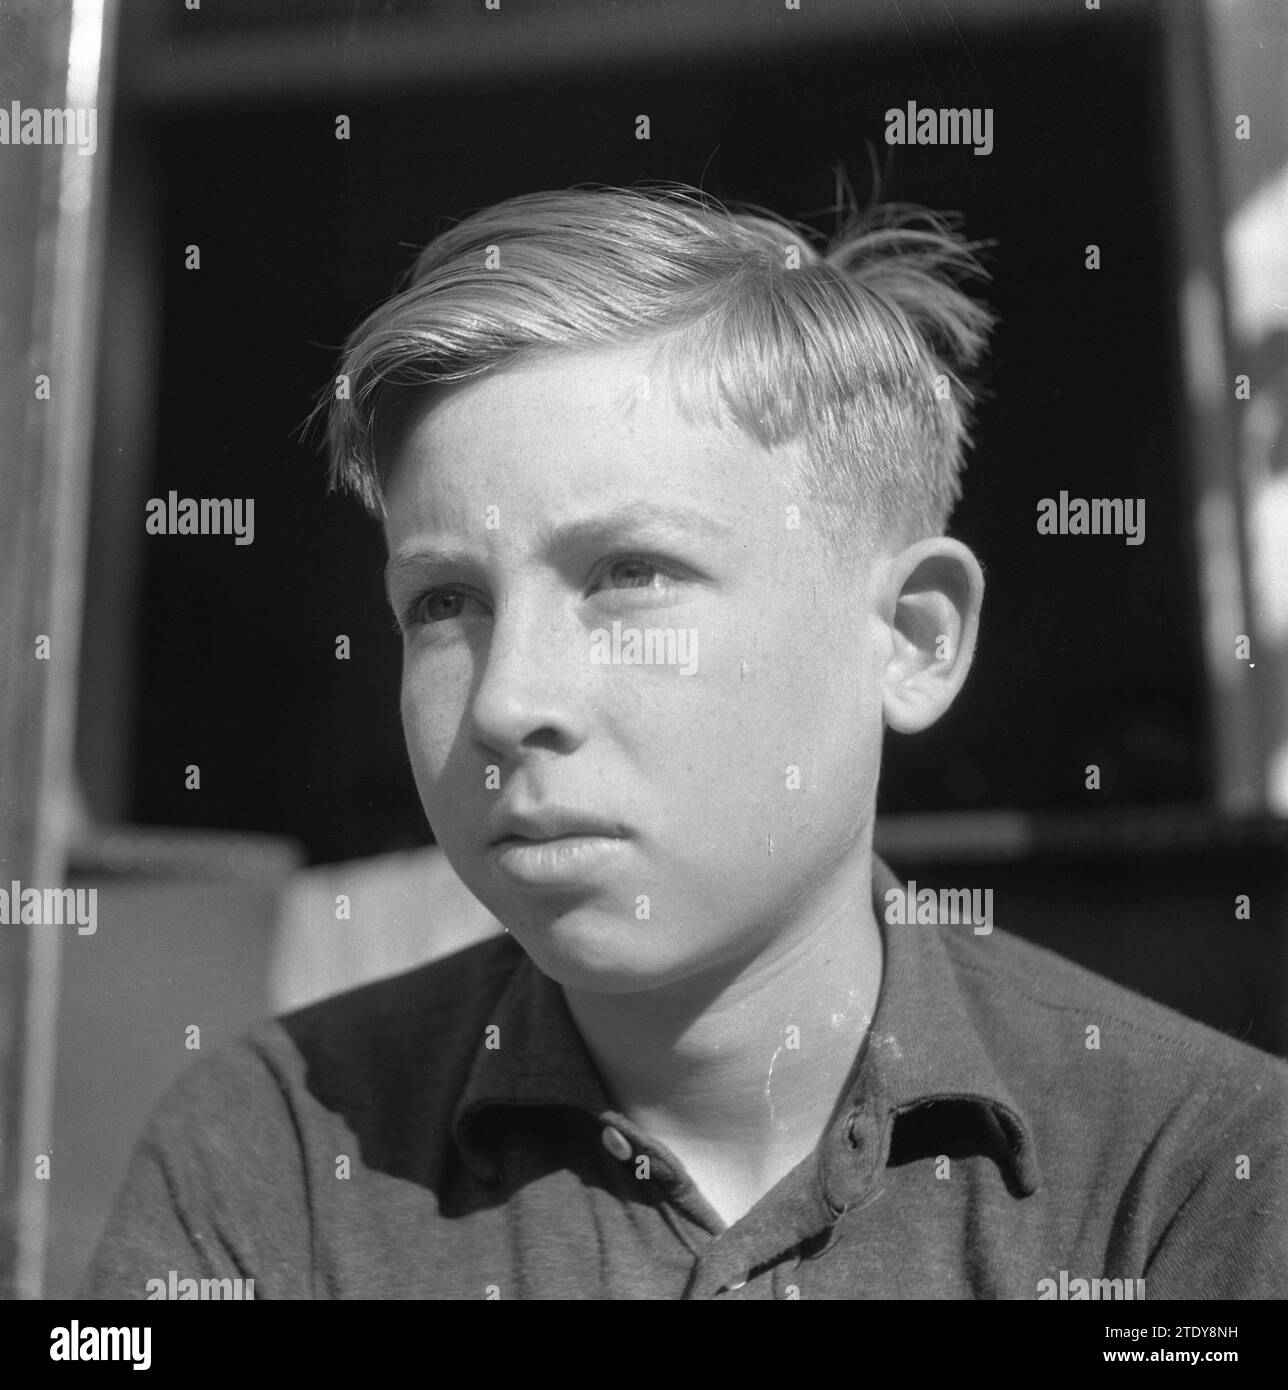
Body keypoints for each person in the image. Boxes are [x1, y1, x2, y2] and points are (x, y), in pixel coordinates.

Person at [82, 183, 1287, 1299]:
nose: (507, 703)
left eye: (630, 575)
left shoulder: (1189, 1178)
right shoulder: (275, 1154)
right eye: (443, 601)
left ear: (912, 638)